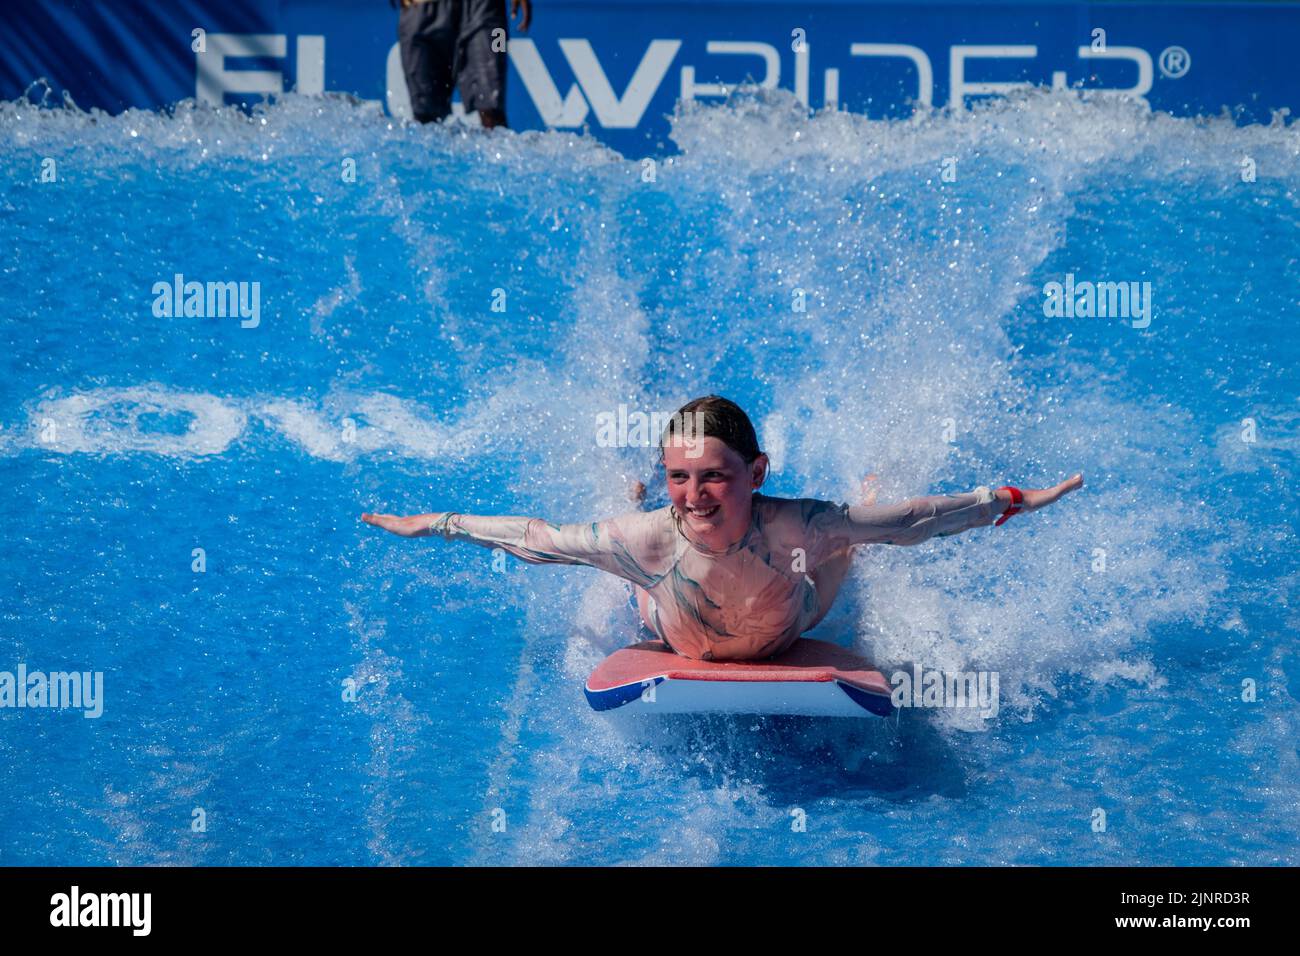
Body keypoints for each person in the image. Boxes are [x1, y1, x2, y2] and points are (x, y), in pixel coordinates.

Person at [361, 396, 1084, 662]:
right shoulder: (647, 537)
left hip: (790, 607)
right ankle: (625, 490)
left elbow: (922, 519)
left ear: (757, 472)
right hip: (675, 618)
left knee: (863, 539)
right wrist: (436, 524)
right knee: (631, 582)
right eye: (678, 477)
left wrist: (1011, 498)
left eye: (714, 475)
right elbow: (538, 538)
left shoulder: (802, 524)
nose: (695, 495)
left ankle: (870, 484)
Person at [396, 0, 532, 129]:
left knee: (492, 110)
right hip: (418, 9)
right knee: (424, 118)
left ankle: (501, 153)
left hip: (487, 8)